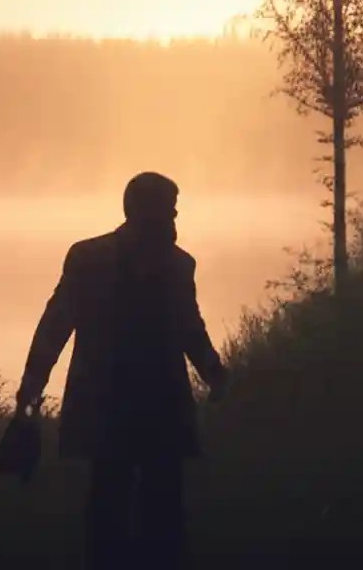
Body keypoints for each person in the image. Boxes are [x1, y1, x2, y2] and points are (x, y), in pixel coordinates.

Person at [15, 172, 229, 569]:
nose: (175, 218)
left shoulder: (111, 259)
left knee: (140, 507)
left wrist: (214, 373)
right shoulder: (100, 260)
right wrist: (32, 383)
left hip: (131, 406)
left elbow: (188, 328)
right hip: (130, 406)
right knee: (128, 505)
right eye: (169, 210)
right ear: (148, 213)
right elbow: (57, 323)